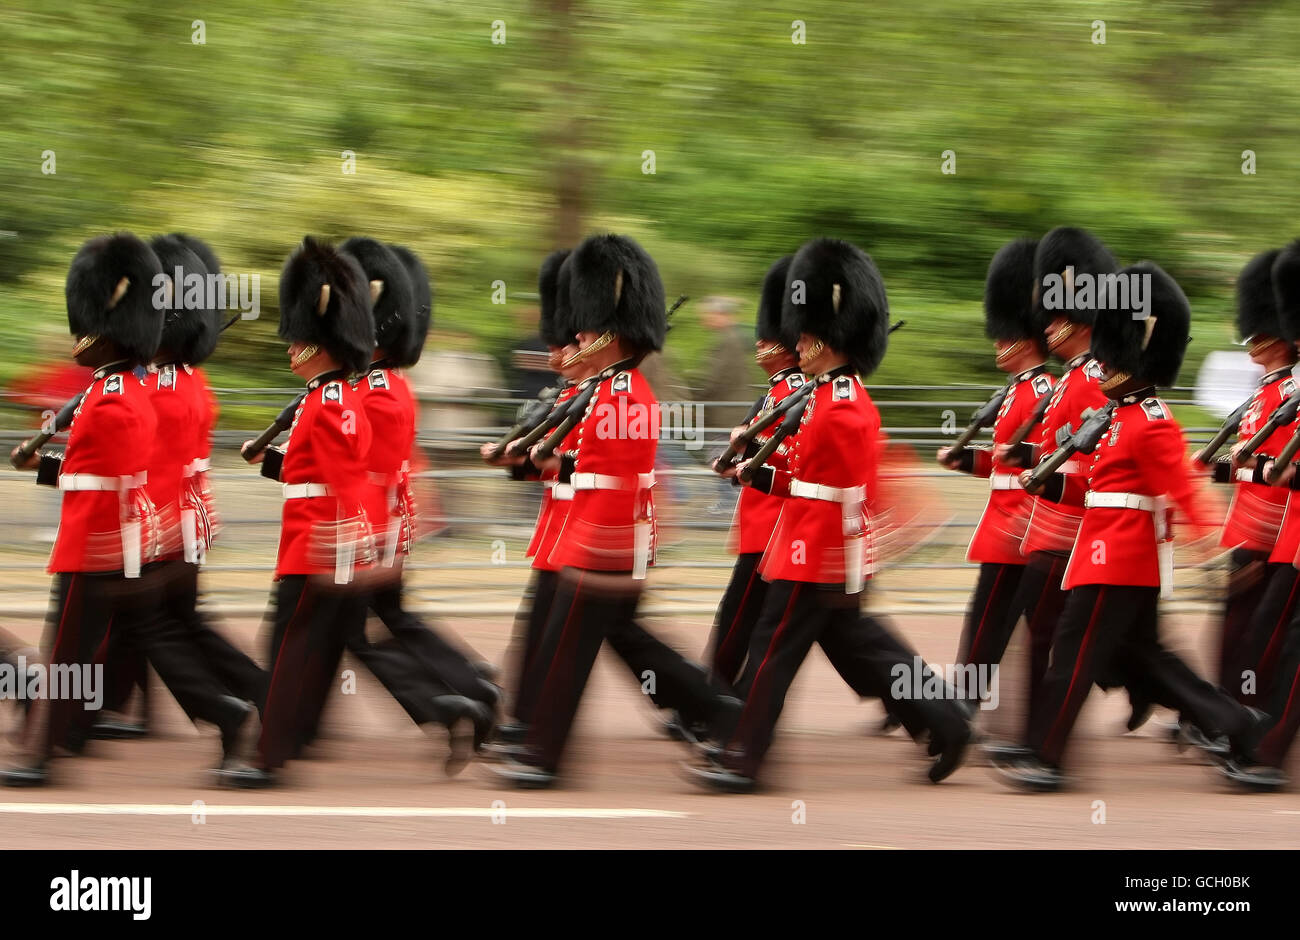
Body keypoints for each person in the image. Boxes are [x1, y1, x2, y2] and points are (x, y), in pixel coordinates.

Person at [687, 238, 970, 793]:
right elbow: (800, 475)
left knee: (772, 651)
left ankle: (743, 758)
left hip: (815, 547)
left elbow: (824, 488)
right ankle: (946, 719)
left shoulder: (839, 406)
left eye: (810, 335)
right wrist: (756, 470)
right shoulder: (824, 396)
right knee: (862, 645)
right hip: (812, 542)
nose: (801, 343)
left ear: (830, 339)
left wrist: (763, 470)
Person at [993, 262, 1264, 792]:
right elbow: (1094, 488)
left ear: (1135, 358)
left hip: (1117, 556)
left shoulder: (1152, 419)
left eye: (1115, 355)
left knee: (1071, 657)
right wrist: (1043, 487)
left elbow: (1183, 486)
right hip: (1103, 549)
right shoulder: (1117, 416)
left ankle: (1048, 759)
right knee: (1149, 659)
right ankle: (1238, 723)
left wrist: (1208, 543)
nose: (1104, 365)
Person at [3, 232, 255, 787]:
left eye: (88, 330)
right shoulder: (116, 388)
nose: (78, 339)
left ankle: (39, 752)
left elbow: (109, 474)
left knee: (70, 649)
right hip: (126, 537)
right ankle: (225, 712)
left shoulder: (116, 397)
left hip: (97, 539)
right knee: (149, 639)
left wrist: (48, 467)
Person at [493, 233, 741, 788]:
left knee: (566, 652)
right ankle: (715, 711)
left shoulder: (623, 394)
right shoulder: (606, 387)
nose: (573, 336)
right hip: (587, 530)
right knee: (615, 641)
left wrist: (543, 461)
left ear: (609, 333)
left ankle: (542, 754)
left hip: (602, 535)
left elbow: (604, 469)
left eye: (584, 328)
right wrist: (531, 458)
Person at [937, 238, 1051, 708]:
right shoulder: (1015, 389)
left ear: (1025, 339)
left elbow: (1045, 457)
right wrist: (967, 460)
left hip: (1022, 521)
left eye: (1005, 337)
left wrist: (1010, 456)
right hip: (1006, 516)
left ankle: (964, 700)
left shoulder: (1044, 388)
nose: (997, 344)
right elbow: (1004, 458)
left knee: (993, 614)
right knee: (1005, 615)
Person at [1201, 249, 1297, 711]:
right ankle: (1224, 704)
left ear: (1282, 338)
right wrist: (1224, 468)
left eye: (1262, 332)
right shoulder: (1265, 391)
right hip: (1246, 520)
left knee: (1252, 626)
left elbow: (1280, 468)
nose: (1252, 340)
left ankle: (1238, 707)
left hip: (1267, 527)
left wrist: (1241, 466)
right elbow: (1253, 460)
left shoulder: (1288, 392)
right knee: (1234, 621)